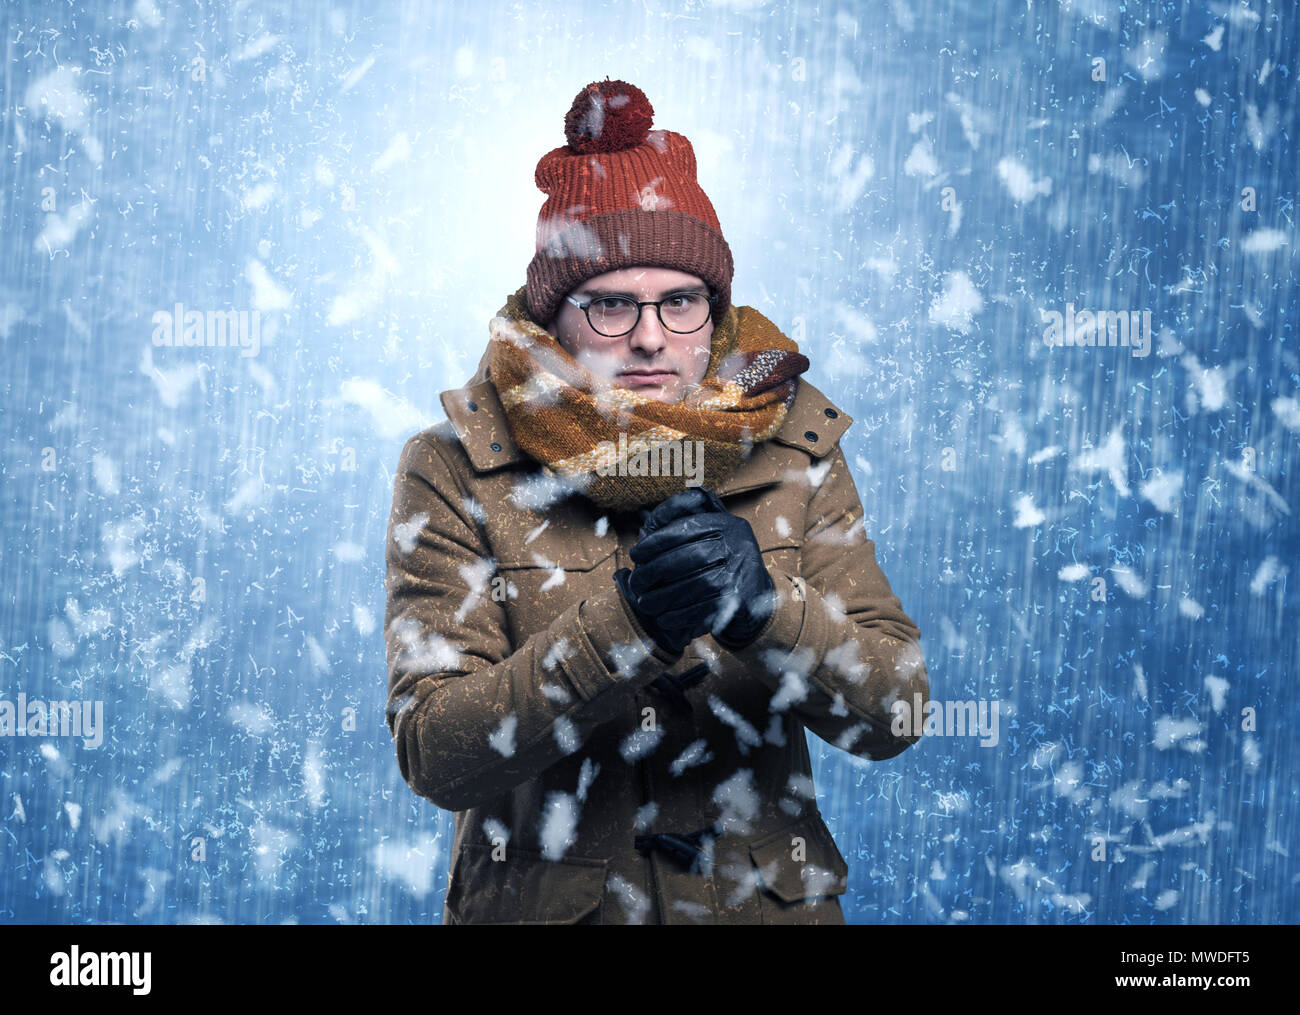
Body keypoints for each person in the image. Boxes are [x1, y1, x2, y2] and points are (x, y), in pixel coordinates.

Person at [384, 78, 930, 925]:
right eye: (609, 304)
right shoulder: (458, 465)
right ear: (552, 315)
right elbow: (438, 753)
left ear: (714, 314)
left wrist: (767, 612)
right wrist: (622, 625)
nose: (648, 335)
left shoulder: (794, 443)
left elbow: (893, 713)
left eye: (680, 300)